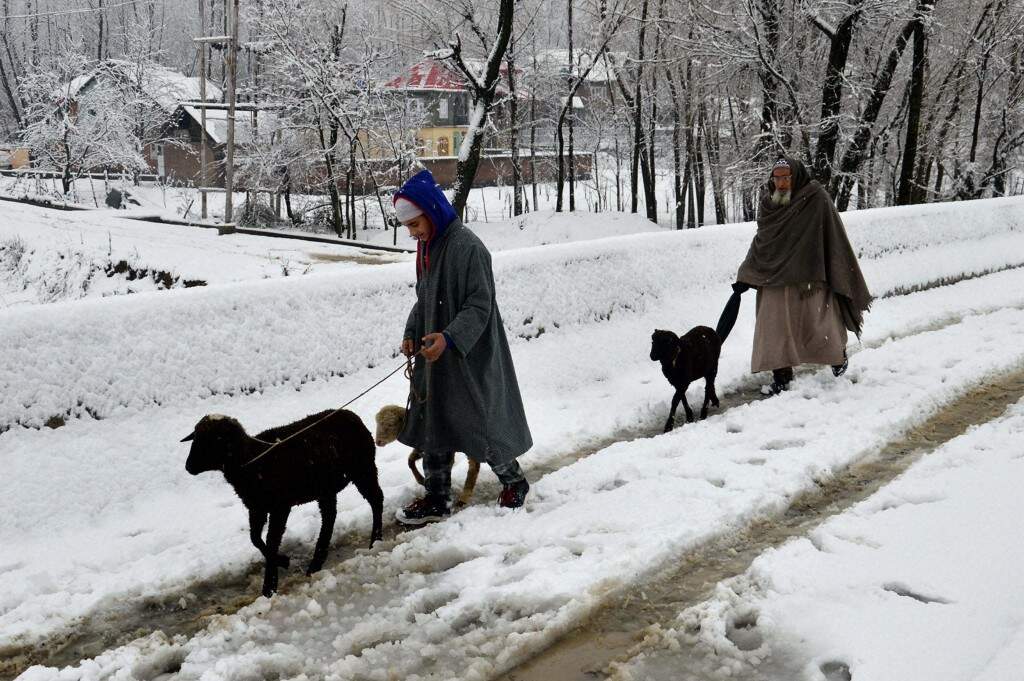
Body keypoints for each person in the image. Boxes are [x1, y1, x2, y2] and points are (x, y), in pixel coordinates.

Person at [392, 169, 533, 525]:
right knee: (434, 421)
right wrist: (413, 331)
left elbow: (479, 304)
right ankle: (437, 496)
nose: (412, 234)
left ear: (432, 212)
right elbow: (423, 297)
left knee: (481, 418)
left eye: (415, 225)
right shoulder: (428, 247)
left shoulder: (469, 248)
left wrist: (451, 337)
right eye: (408, 228)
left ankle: (514, 481)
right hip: (434, 353)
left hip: (470, 354)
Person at [734, 157, 872, 395]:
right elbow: (762, 242)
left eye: (786, 178)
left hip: (808, 276)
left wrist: (833, 268)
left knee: (818, 326)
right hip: (774, 279)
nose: (781, 183)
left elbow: (833, 235)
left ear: (795, 177)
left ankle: (837, 359)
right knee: (773, 329)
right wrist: (746, 273)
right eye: (777, 178)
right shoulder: (769, 204)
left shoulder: (815, 199)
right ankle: (781, 374)